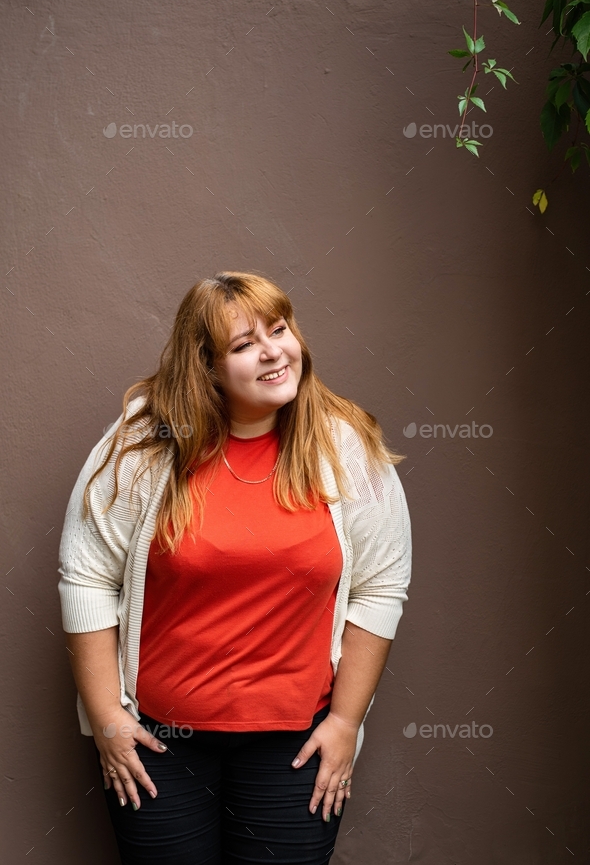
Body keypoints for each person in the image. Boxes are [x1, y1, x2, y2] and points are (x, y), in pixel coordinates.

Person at [57, 270, 412, 865]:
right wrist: (107, 719)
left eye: (279, 330)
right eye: (244, 344)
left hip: (298, 745)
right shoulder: (147, 443)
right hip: (160, 745)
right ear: (206, 367)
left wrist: (347, 721)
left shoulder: (344, 446)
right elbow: (87, 576)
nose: (274, 352)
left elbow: (381, 587)